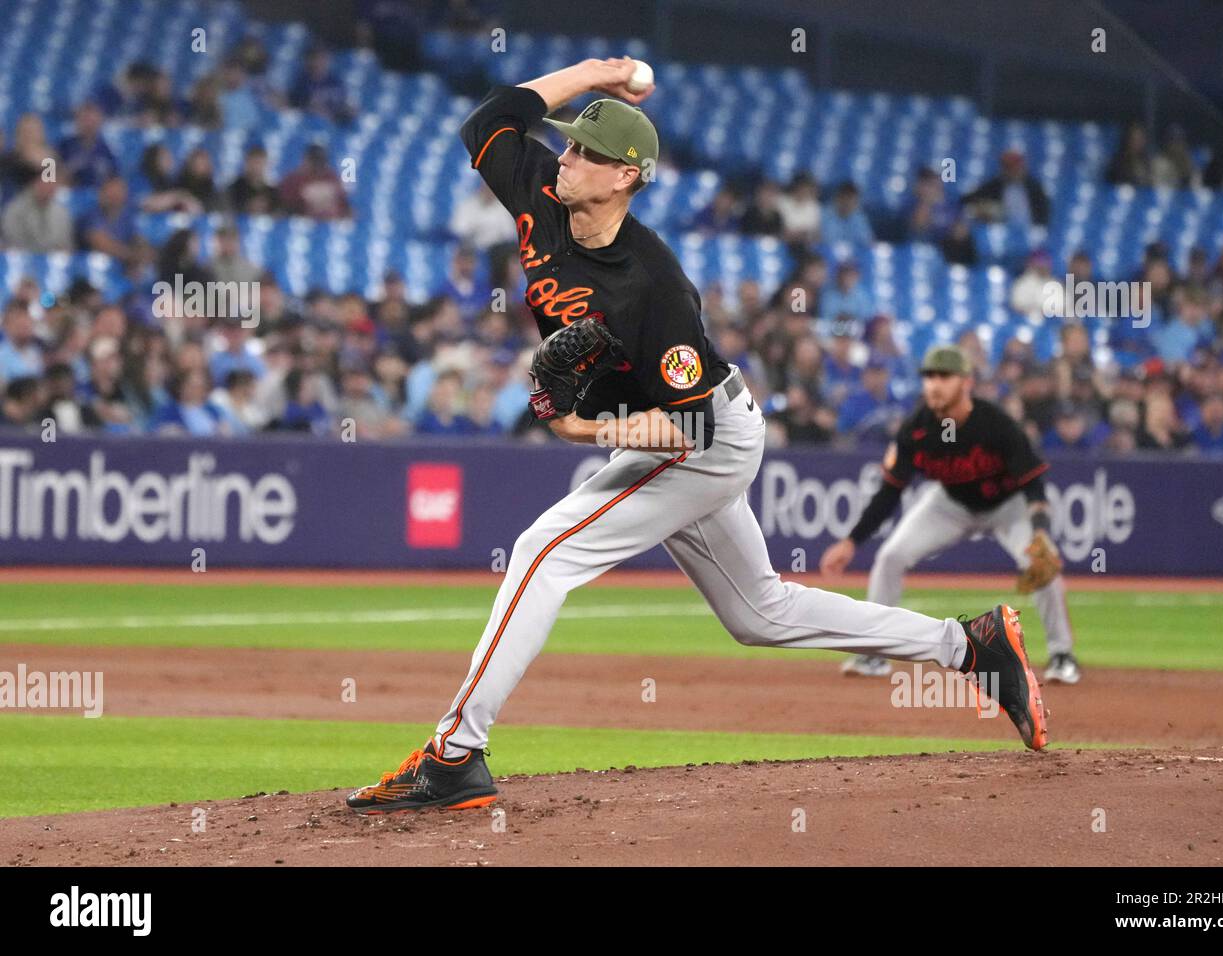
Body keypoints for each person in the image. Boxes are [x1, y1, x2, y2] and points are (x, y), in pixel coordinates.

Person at [345, 58, 1049, 815]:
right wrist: (597, 76)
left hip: (705, 436)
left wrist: (577, 423)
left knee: (542, 552)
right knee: (761, 613)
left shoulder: (652, 284)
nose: (567, 158)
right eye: (570, 145)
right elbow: (488, 120)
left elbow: (685, 428)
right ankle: (971, 646)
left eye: (586, 151)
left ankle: (455, 755)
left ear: (625, 177)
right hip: (660, 433)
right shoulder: (540, 193)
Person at [819, 346, 1080, 685]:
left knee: (1042, 561)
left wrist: (1040, 532)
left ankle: (1062, 655)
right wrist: (852, 541)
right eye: (928, 376)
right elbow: (890, 491)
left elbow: (1033, 485)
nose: (934, 384)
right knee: (891, 556)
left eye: (944, 376)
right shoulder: (916, 429)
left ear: (966, 382)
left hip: (1007, 505)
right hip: (949, 503)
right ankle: (873, 655)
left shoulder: (996, 425)